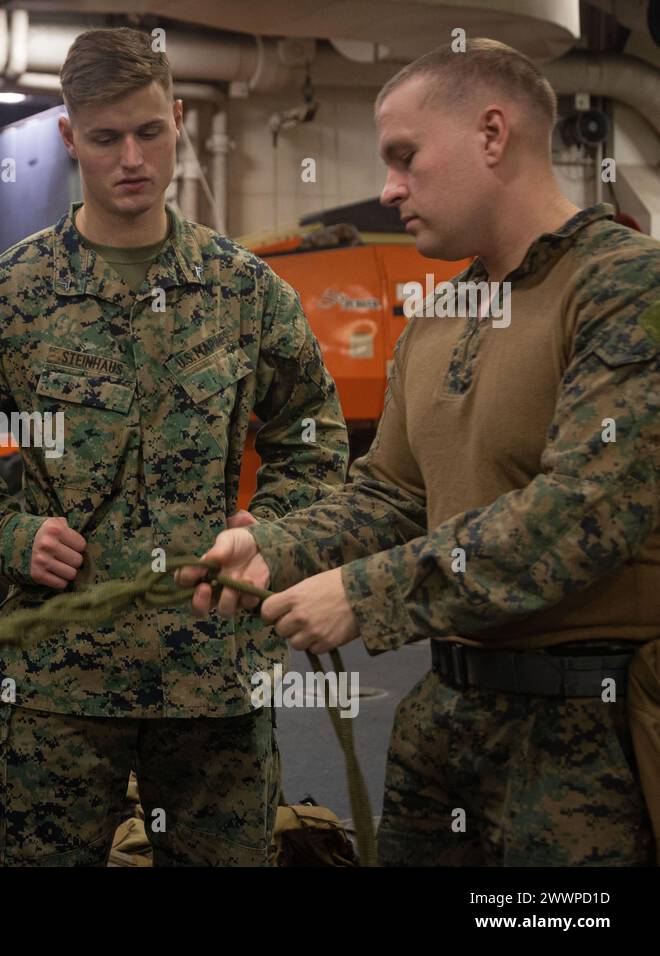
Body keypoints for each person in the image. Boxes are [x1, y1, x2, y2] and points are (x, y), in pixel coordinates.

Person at [185, 38, 660, 866]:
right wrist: (275, 549)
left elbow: (584, 513)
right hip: (443, 726)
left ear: (491, 134)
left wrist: (364, 596)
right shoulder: (442, 315)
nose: (388, 187)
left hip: (588, 740)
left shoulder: (625, 286)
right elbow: (394, 494)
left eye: (405, 157)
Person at [0, 27, 348, 866]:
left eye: (149, 131)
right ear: (70, 137)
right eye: (104, 138)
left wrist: (272, 534)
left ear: (178, 119)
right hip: (56, 683)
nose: (130, 157)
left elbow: (313, 444)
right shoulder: (10, 297)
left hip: (212, 676)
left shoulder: (245, 292)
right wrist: (9, 535)